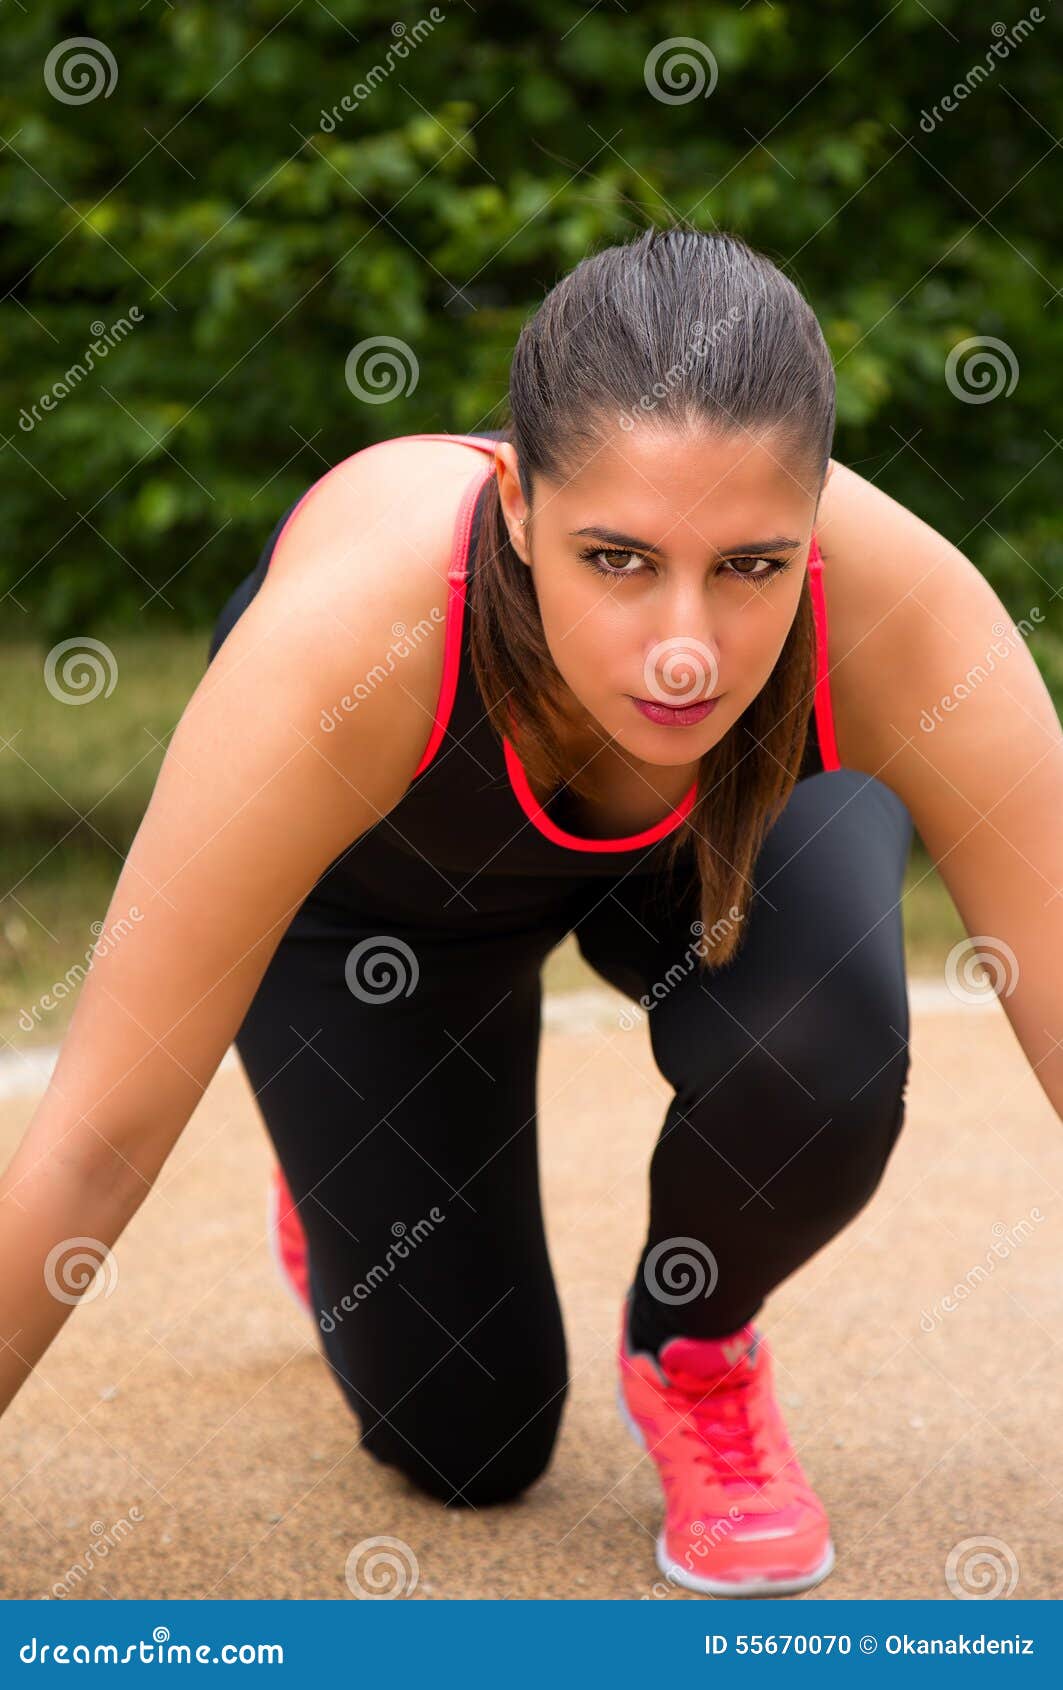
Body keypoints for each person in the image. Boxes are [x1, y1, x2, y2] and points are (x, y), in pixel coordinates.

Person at [3, 226, 1061, 1601]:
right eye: (618, 557)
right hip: (388, 898)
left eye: (751, 566)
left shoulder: (898, 608)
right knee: (471, 1434)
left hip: (724, 851)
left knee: (821, 1052)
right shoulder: (346, 643)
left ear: (817, 521)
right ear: (515, 508)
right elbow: (92, 1140)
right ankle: (337, 1178)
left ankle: (696, 1348)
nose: (684, 644)